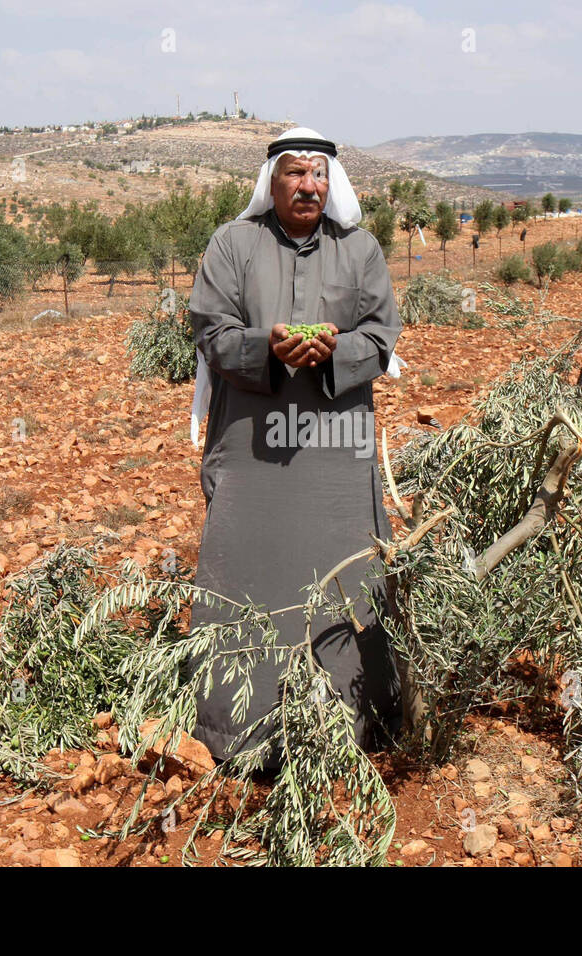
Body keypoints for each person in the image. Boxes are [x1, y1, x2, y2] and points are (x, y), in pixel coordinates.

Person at [185, 127, 405, 765]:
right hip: (252, 443)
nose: (308, 186)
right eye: (294, 175)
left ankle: (353, 727)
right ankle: (237, 735)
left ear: (331, 183)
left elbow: (383, 333)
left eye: (318, 176)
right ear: (271, 181)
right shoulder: (233, 244)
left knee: (348, 573)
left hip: (337, 447)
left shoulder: (360, 250)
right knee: (251, 570)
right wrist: (268, 347)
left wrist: (337, 348)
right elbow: (210, 329)